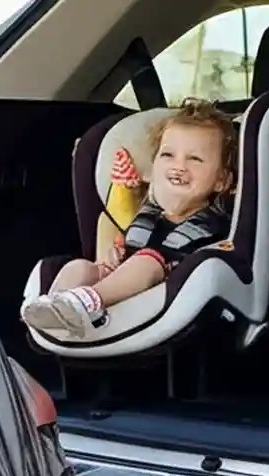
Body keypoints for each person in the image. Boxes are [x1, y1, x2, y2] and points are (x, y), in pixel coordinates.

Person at [22, 99, 237, 338]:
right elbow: (132, 243)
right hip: (120, 287)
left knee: (147, 261)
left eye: (195, 159)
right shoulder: (149, 213)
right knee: (80, 267)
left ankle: (85, 301)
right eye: (168, 155)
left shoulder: (216, 221)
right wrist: (116, 254)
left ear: (222, 181)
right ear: (153, 167)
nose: (179, 166)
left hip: (167, 296)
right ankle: (53, 307)